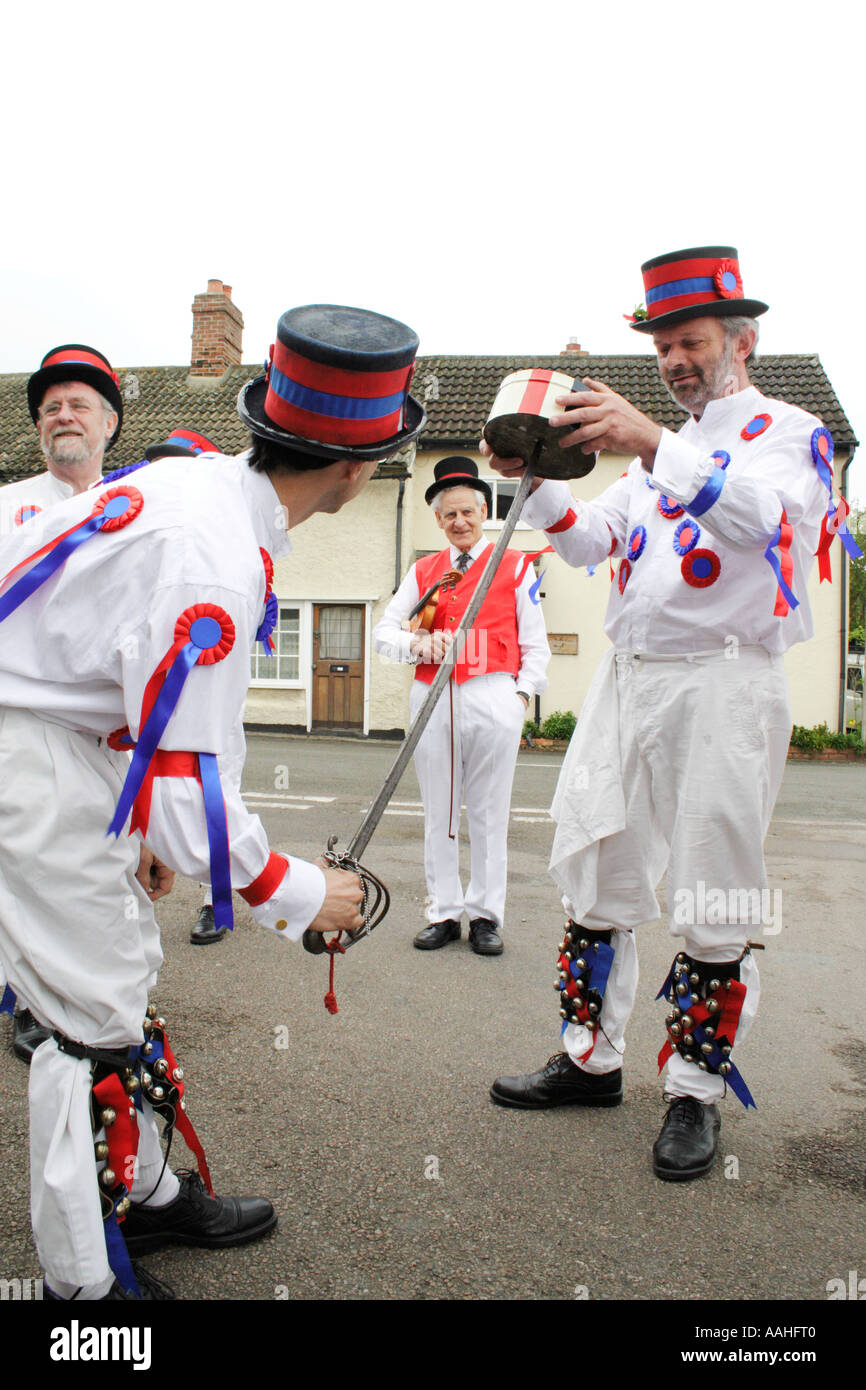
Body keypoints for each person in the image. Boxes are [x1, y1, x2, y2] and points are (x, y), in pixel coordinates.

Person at [0, 303, 424, 1298]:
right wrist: (295, 891)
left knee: (119, 974)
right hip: (33, 749)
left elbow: (176, 727)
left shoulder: (197, 489)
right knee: (82, 1018)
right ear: (360, 469)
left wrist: (150, 817)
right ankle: (83, 1292)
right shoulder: (216, 556)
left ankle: (143, 1196)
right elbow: (191, 798)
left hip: (69, 741)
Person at [482, 245, 845, 1180]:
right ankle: (589, 1059)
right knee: (599, 862)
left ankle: (694, 1090)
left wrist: (649, 439)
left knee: (717, 885)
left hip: (725, 683)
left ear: (741, 338)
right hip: (630, 676)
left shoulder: (786, 427)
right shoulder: (652, 458)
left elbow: (765, 522)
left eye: (690, 341)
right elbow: (591, 539)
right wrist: (537, 473)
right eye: (663, 346)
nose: (677, 360)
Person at [0, 346, 128, 1062]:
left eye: (79, 405)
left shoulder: (133, 509)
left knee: (96, 877)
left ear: (108, 423)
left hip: (106, 738)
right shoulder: (7, 508)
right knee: (27, 874)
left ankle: (89, 999)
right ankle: (34, 1002)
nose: (63, 416)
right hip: (25, 726)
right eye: (50, 408)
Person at [373, 458, 550, 955]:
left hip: (493, 694)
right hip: (432, 696)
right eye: (450, 515)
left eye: (468, 512)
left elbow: (535, 644)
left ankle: (487, 916)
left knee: (490, 813)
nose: (460, 522)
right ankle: (444, 912)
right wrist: (414, 646)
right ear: (438, 521)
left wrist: (519, 698)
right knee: (441, 813)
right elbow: (384, 631)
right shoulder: (425, 570)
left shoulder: (514, 565)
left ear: (485, 511)